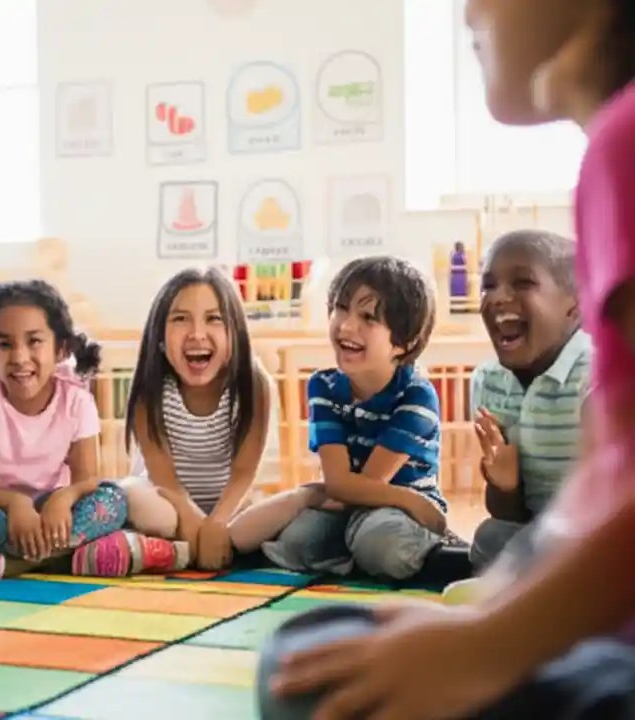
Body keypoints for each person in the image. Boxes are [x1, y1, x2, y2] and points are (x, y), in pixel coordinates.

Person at [258, 2, 635, 717]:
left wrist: (483, 643)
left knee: (306, 674)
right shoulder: (609, 154)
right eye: (344, 311)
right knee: (316, 647)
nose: (467, 9)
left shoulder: (625, 144)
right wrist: (491, 610)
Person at [0, 280, 180, 579]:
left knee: (113, 500)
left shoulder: (77, 402)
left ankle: (9, 562)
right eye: (5, 344)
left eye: (34, 341)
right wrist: (17, 503)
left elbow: (88, 480)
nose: (19, 357)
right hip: (1, 514)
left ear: (61, 348)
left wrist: (63, 499)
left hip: (61, 515)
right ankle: (68, 559)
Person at [260, 256, 457, 582]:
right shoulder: (323, 386)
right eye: (341, 308)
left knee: (380, 541)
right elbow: (339, 481)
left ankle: (440, 555)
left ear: (404, 343)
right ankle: (358, 557)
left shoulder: (415, 395)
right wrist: (408, 499)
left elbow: (372, 482)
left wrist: (415, 505)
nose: (347, 326)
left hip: (395, 510)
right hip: (355, 501)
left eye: (368, 317)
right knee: (296, 541)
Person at [121, 268, 325, 570]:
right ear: (160, 337)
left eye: (214, 319)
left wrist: (216, 523)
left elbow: (244, 473)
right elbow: (163, 478)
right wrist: (191, 519)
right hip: (170, 506)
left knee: (272, 515)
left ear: (234, 335)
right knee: (134, 497)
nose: (197, 333)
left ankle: (167, 551)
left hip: (229, 509)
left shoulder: (255, 385)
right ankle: (166, 546)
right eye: (180, 319)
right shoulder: (148, 392)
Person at [468, 230, 591, 571]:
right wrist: (505, 485)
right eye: (488, 285)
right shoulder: (488, 382)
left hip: (600, 538)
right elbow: (507, 514)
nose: (498, 298)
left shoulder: (597, 375)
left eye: (522, 283)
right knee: (490, 539)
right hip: (538, 537)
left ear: (575, 307)